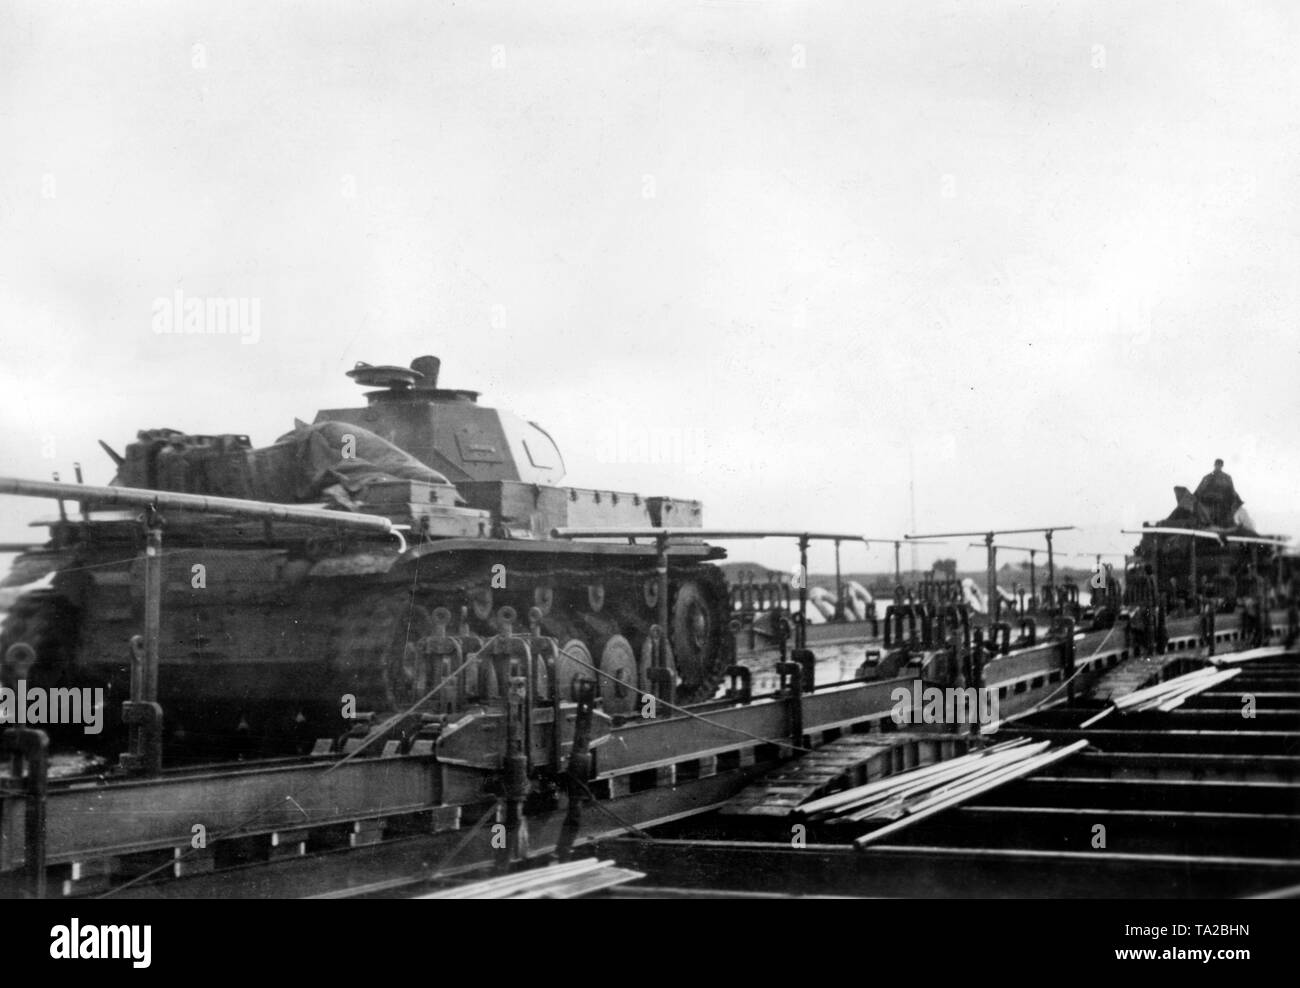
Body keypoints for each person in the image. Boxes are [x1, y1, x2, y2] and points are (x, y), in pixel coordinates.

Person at [1193, 458, 1243, 527]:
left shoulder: (1227, 478)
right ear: (1214, 465)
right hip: (1208, 504)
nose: (1218, 466)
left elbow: (1232, 491)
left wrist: (1237, 500)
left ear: (1222, 466)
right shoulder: (1208, 477)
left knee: (1222, 521)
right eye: (1217, 464)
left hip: (1222, 505)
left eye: (1220, 465)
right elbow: (1199, 491)